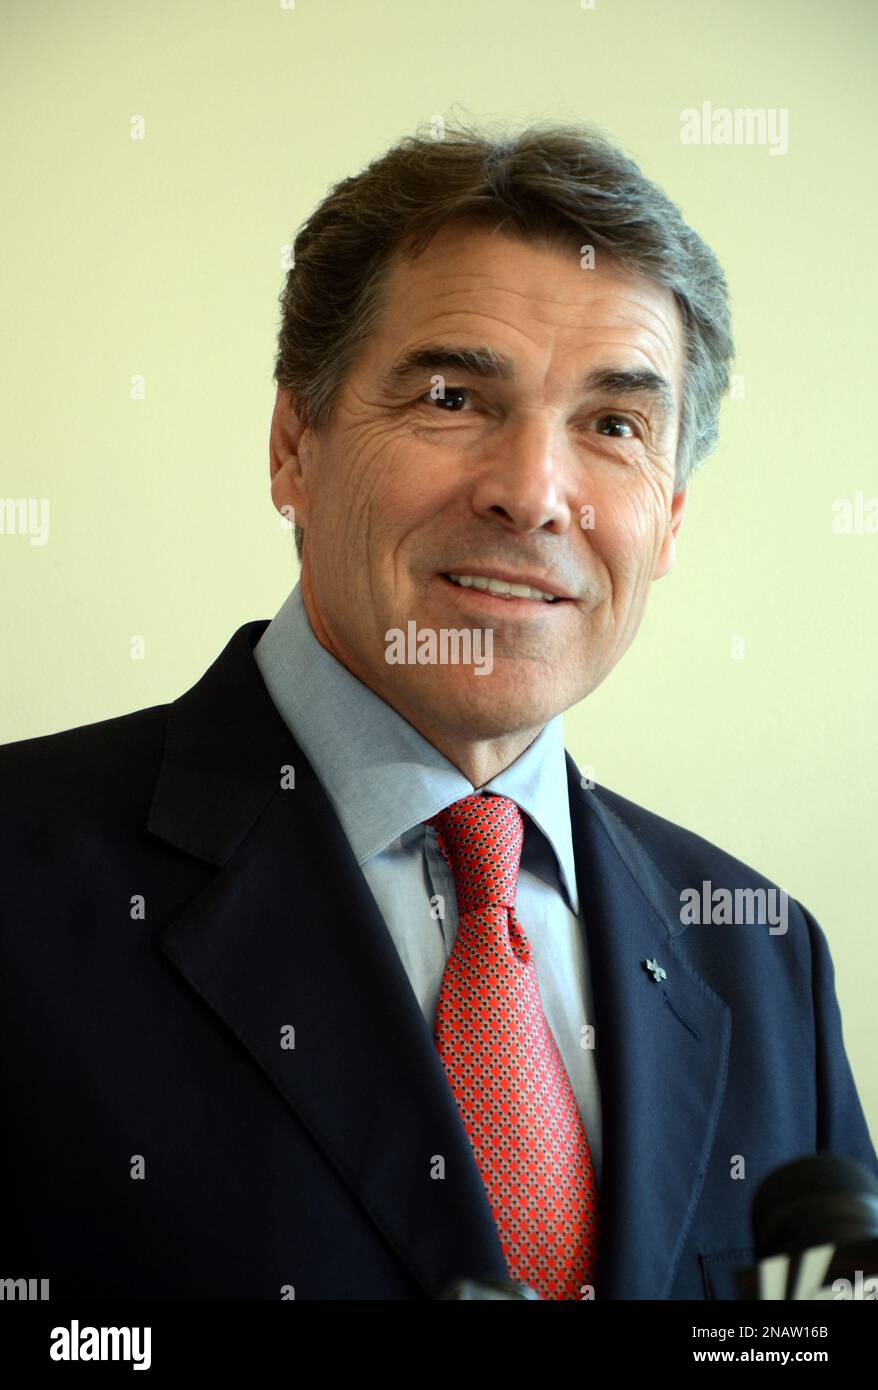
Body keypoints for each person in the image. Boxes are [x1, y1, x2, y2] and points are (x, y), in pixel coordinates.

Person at [1, 121, 874, 1301]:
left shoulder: (761, 954)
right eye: (453, 395)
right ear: (293, 445)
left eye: (612, 425)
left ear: (668, 517)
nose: (529, 493)